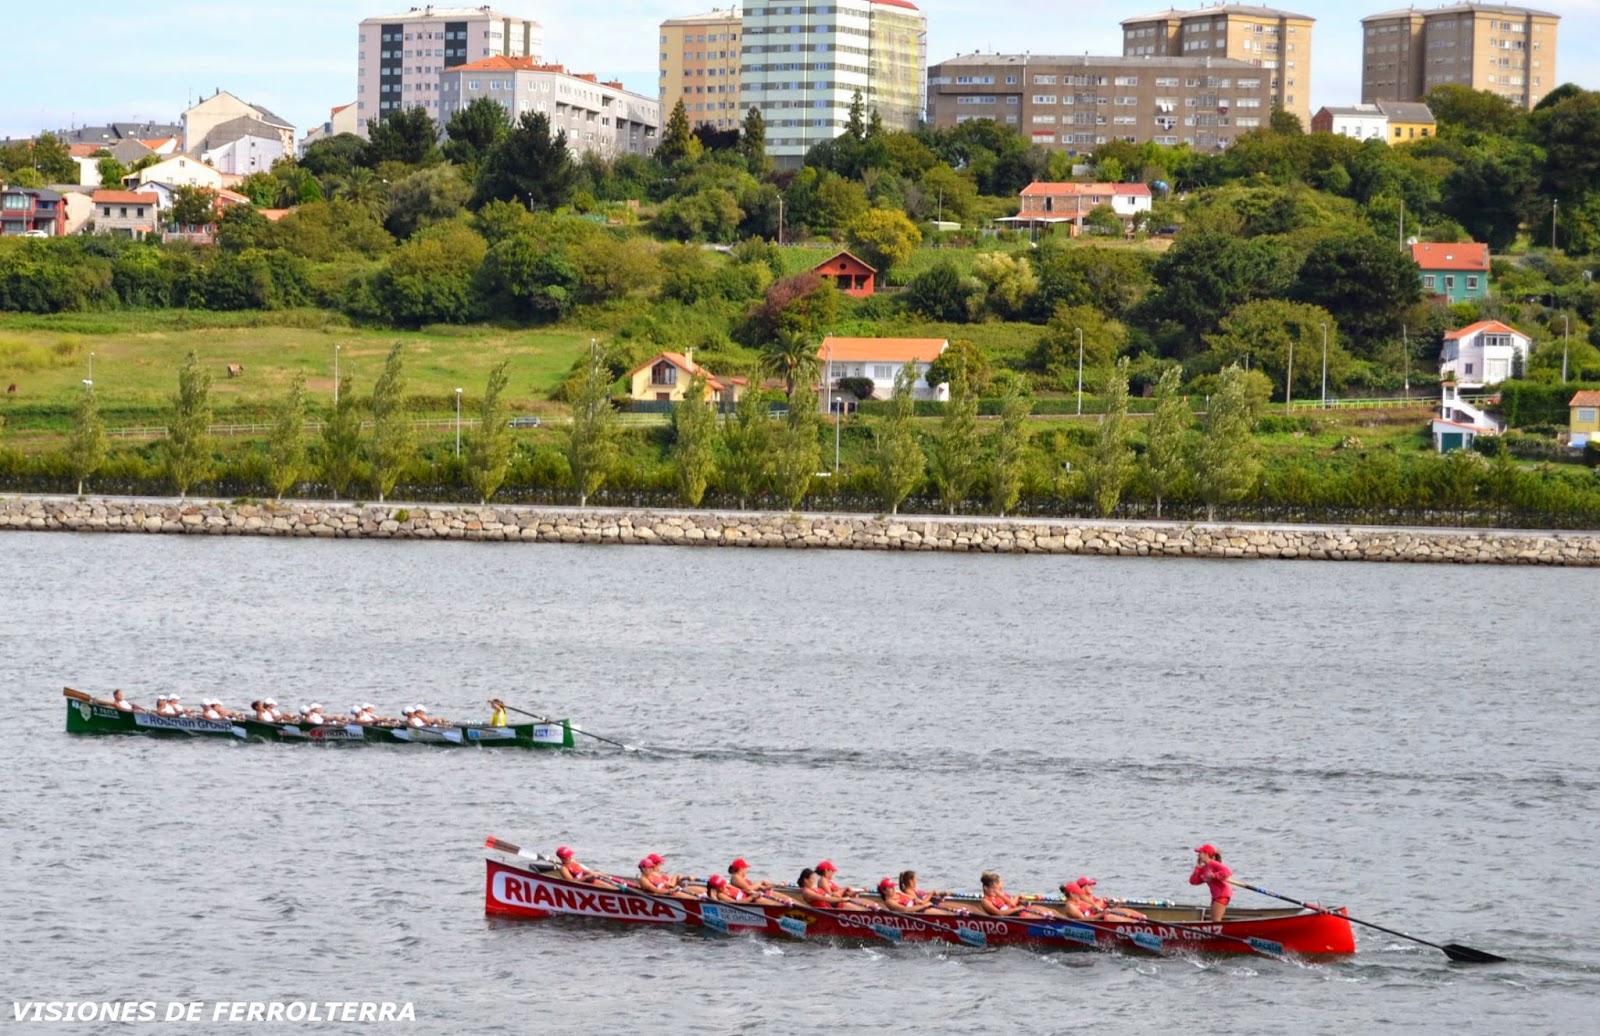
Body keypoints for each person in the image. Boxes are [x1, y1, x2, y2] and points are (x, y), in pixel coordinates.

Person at [1063, 877, 1147, 922]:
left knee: (1118, 910)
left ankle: (1141, 919)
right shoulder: (1071, 906)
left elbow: (1090, 909)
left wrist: (1093, 908)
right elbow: (1084, 920)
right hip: (1091, 924)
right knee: (1109, 916)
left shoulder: (1079, 902)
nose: (1080, 895)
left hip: (1097, 917)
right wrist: (1102, 913)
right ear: (1072, 894)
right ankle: (1136, 924)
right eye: (1078, 893)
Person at [976, 871, 1048, 918]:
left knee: (1046, 911)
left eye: (996, 888)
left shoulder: (999, 895)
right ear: (985, 888)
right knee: (1042, 917)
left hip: (1021, 910)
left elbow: (1012, 902)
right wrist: (1017, 908)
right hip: (1014, 916)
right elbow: (1000, 913)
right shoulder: (985, 901)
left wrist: (1033, 897)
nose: (996, 890)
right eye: (993, 888)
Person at [1190, 844, 1233, 922]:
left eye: (1200, 853)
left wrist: (1214, 875)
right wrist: (1198, 867)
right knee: (1213, 919)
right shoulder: (1204, 868)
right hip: (1215, 896)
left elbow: (1228, 871)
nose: (1198, 855)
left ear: (1206, 854)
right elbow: (1193, 881)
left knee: (1216, 920)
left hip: (1223, 894)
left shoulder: (1214, 864)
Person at [798, 867, 865, 910]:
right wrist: (842, 899)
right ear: (805, 880)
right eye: (812, 878)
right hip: (829, 912)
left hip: (832, 907)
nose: (814, 880)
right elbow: (824, 898)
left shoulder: (813, 888)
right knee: (851, 906)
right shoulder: (807, 892)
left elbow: (829, 896)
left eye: (814, 878)